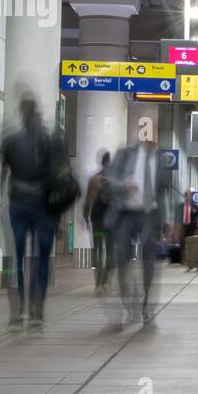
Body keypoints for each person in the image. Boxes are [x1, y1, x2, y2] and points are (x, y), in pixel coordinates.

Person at [0, 98, 58, 328]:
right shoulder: (50, 140)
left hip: (19, 204)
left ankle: (19, 309)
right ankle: (37, 311)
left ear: (22, 115)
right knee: (41, 258)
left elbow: (2, 176)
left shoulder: (11, 141)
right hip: (44, 207)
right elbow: (58, 178)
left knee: (18, 257)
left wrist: (0, 198)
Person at [109, 137, 165, 322]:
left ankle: (146, 301)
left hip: (149, 214)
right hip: (125, 213)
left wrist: (168, 222)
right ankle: (127, 299)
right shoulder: (125, 154)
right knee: (121, 257)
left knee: (148, 258)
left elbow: (164, 191)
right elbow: (109, 180)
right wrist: (123, 185)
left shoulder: (161, 160)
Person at [82, 151, 113, 294]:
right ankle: (106, 282)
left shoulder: (94, 179)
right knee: (111, 251)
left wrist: (85, 216)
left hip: (97, 220)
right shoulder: (115, 179)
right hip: (111, 222)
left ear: (101, 162)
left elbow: (88, 200)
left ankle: (98, 284)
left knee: (98, 250)